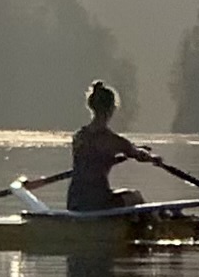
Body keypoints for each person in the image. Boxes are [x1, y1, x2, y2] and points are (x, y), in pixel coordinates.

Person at [63, 81, 147, 215]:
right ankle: (153, 228)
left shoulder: (79, 136)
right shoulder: (113, 140)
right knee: (135, 196)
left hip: (75, 201)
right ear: (112, 109)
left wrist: (114, 159)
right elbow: (138, 154)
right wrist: (154, 158)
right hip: (98, 203)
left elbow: (93, 161)